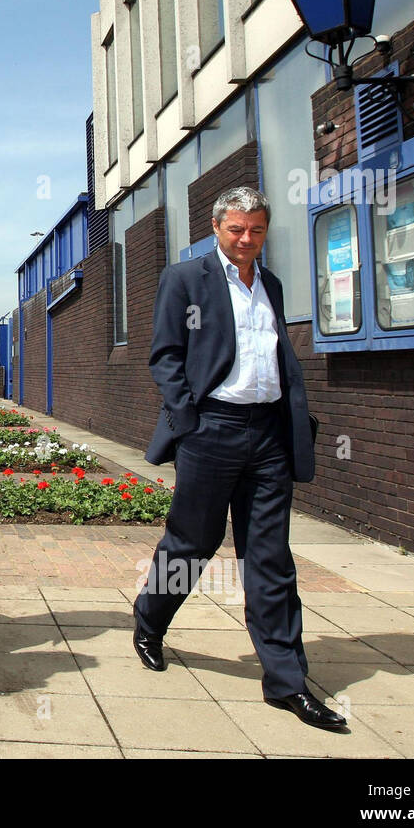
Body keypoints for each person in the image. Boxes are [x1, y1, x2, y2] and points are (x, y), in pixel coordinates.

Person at [136, 186, 343, 730]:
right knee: (193, 543)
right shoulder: (186, 280)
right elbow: (164, 355)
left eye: (256, 230)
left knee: (271, 559)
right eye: (236, 230)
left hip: (268, 435)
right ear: (216, 228)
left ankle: (286, 682)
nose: (246, 240)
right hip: (212, 431)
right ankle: (150, 620)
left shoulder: (269, 283)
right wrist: (190, 423)